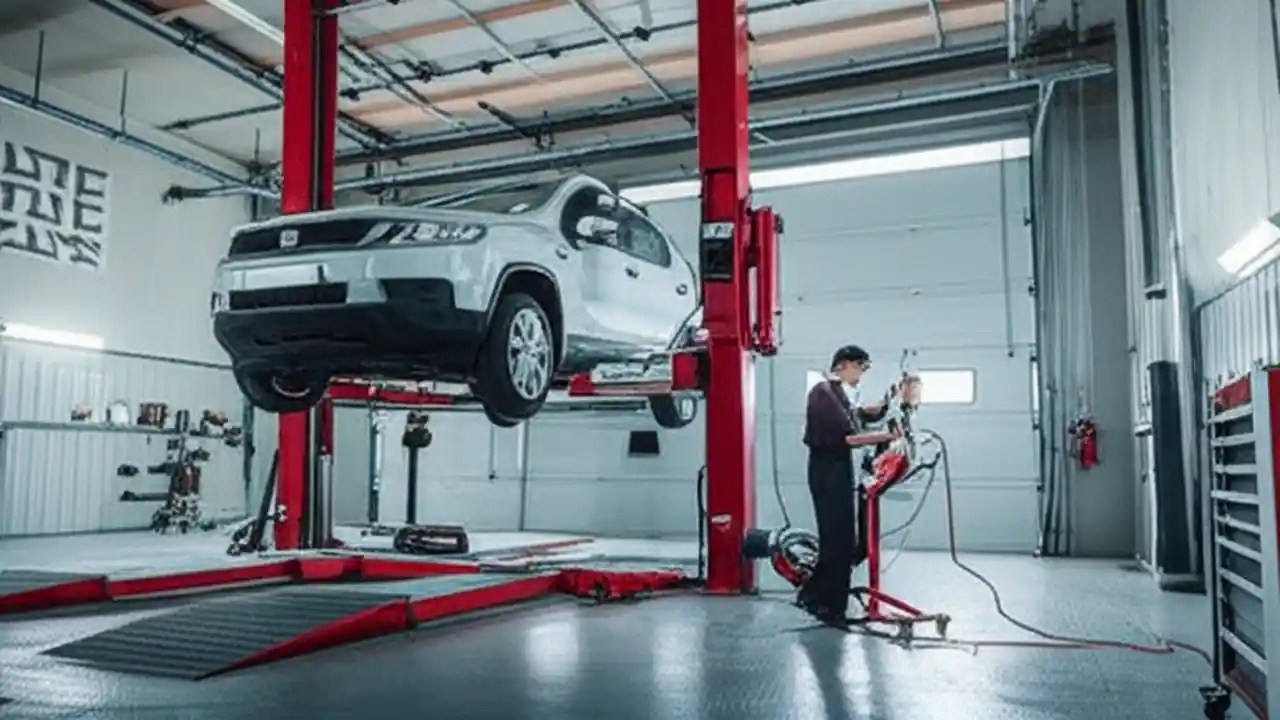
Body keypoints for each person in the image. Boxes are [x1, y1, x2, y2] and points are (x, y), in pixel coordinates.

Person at [797, 344, 900, 627]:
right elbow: (848, 438)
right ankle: (829, 608)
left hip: (838, 469)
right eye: (860, 367)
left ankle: (814, 596)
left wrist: (888, 403)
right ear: (843, 364)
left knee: (844, 541)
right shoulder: (823, 392)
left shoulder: (838, 394)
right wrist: (886, 437)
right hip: (826, 470)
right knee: (837, 542)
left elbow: (858, 415)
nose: (862, 375)